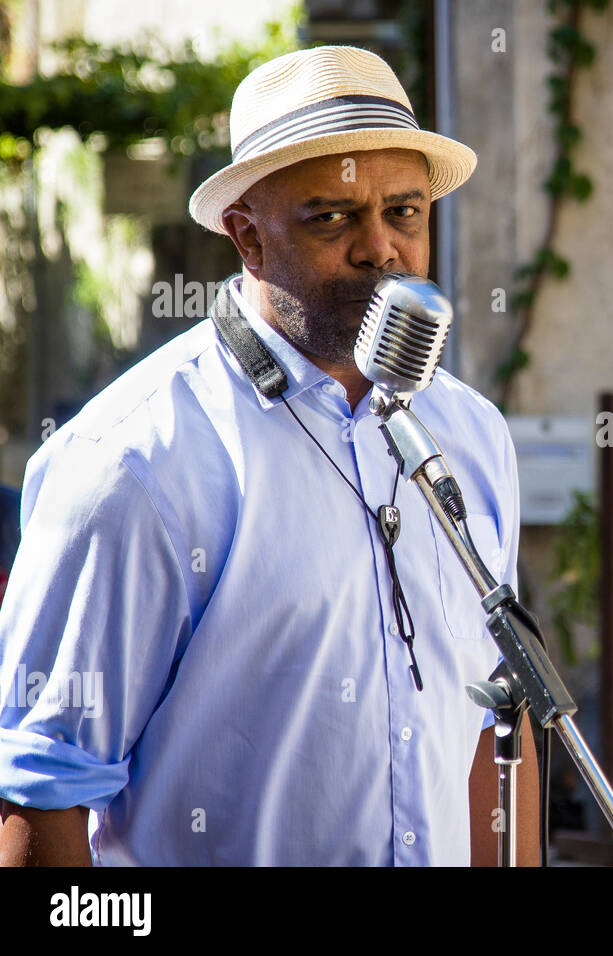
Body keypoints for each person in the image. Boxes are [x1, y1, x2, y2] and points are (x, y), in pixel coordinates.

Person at [0, 45, 538, 866]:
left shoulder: (471, 435)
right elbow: (41, 791)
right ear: (248, 239)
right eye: (331, 217)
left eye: (405, 212)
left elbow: (498, 716)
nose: (381, 250)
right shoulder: (133, 464)